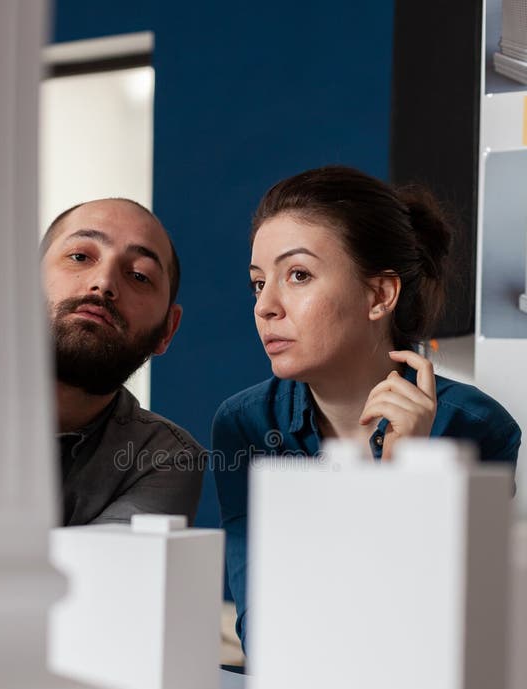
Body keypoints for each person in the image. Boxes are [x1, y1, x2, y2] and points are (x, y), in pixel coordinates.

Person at [212, 166, 521, 655]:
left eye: (298, 275)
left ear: (379, 295)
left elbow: (446, 633)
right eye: (257, 283)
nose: (265, 306)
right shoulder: (245, 424)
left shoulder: (475, 427)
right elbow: (263, 628)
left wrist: (407, 475)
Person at [42, 197, 205, 526]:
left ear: (167, 330)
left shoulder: (163, 457)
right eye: (80, 256)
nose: (104, 283)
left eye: (139, 276)